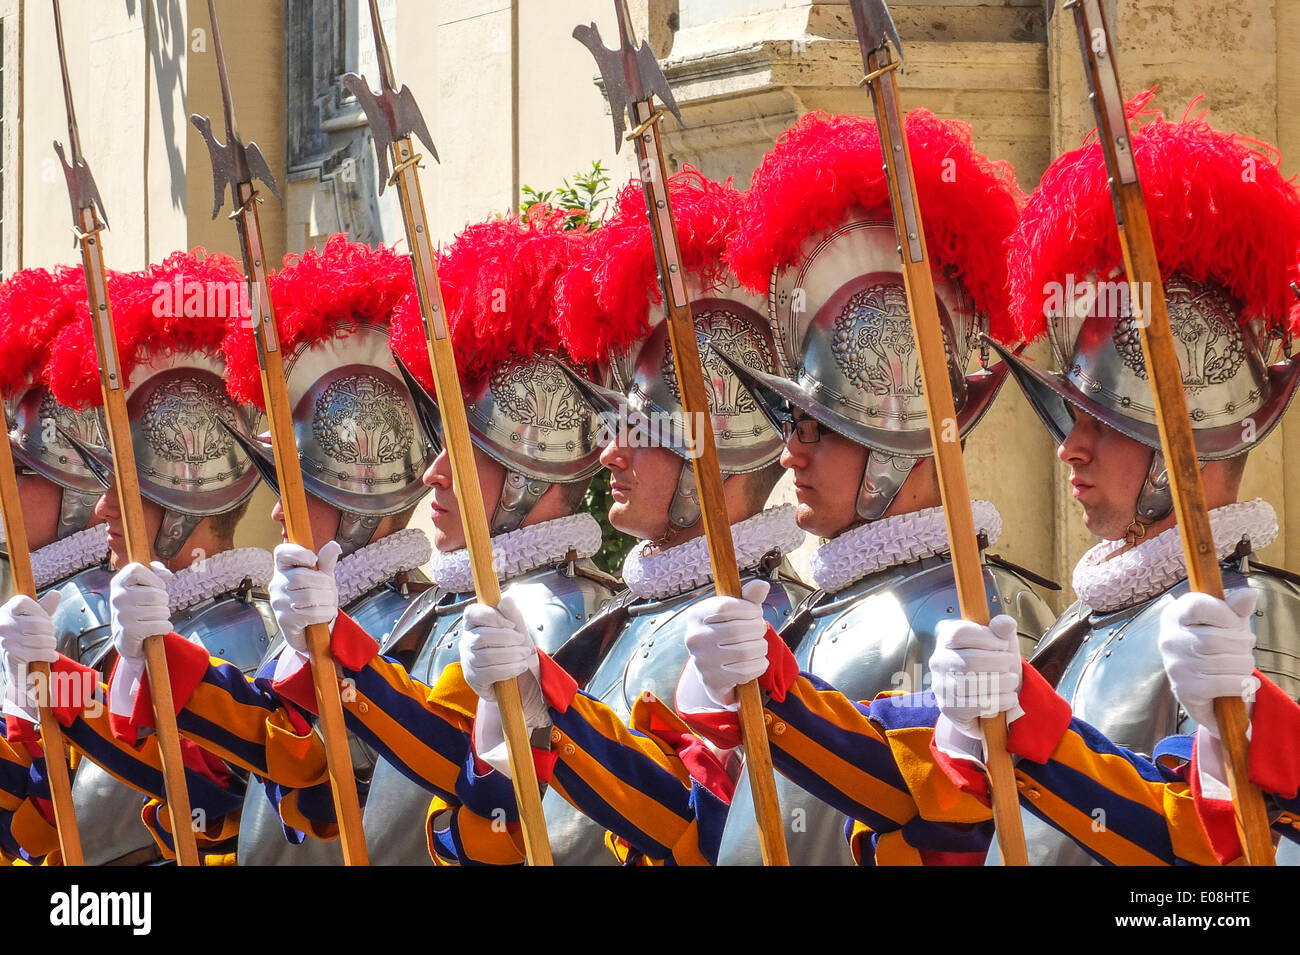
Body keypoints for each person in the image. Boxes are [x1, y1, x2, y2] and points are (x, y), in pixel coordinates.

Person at [467, 114, 1055, 865]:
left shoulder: (976, 613)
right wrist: (536, 703)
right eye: (790, 422)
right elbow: (703, 830)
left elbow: (963, 831)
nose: (791, 450)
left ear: (892, 437)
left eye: (820, 426)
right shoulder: (800, 620)